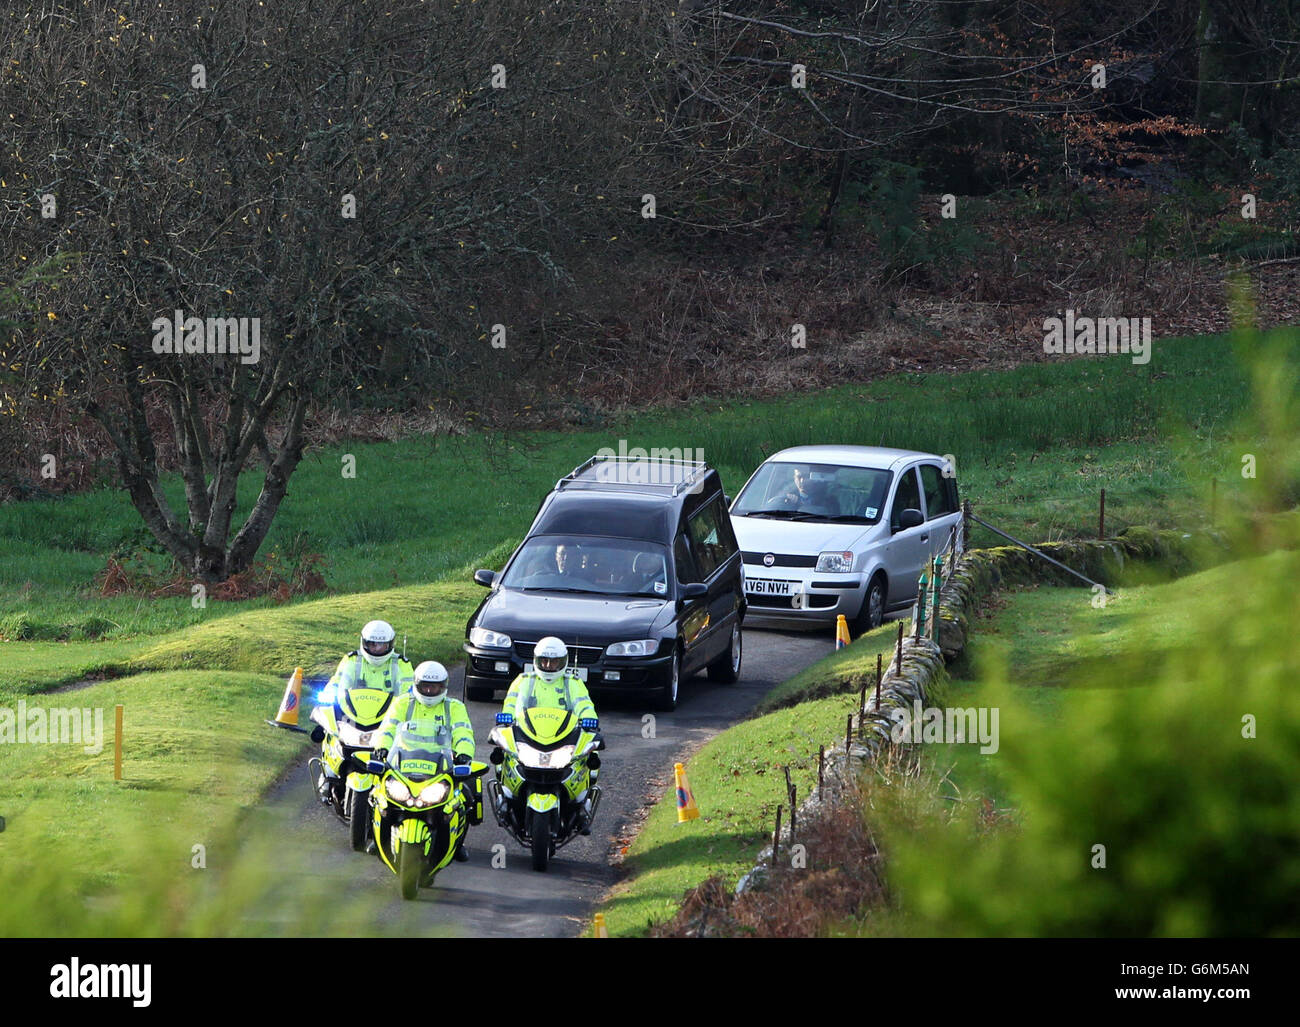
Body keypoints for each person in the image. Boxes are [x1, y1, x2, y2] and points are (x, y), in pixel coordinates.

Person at [372, 660, 477, 861]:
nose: (429, 691)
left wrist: (464, 754)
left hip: (441, 767)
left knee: (465, 797)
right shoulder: (403, 703)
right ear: (417, 685)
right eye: (425, 686)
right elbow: (388, 728)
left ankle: (458, 844)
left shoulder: (454, 707)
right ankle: (377, 839)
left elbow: (463, 732)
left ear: (443, 686)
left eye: (435, 686)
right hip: (403, 764)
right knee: (378, 795)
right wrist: (381, 749)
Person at [502, 635, 602, 833]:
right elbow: (510, 705)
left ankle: (582, 807)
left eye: (554, 661)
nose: (548, 666)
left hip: (563, 738)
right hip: (530, 736)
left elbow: (585, 705)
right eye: (544, 661)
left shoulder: (572, 683)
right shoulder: (523, 681)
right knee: (505, 755)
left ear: (563, 661)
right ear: (536, 661)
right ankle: (506, 800)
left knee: (591, 756)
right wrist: (504, 721)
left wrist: (591, 723)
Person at [325, 619, 415, 697]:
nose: (377, 648)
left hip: (390, 713)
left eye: (381, 644)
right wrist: (332, 690)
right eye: (372, 644)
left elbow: (408, 689)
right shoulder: (352, 659)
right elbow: (338, 681)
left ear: (390, 644)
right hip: (352, 711)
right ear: (365, 643)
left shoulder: (401, 663)